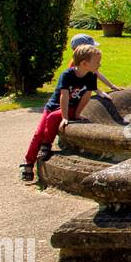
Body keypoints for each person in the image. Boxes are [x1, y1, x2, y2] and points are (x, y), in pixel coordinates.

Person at [20, 43, 103, 181]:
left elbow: (86, 96)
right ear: (84, 63)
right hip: (54, 105)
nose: (99, 65)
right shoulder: (67, 75)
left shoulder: (91, 76)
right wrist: (65, 117)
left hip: (71, 107)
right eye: (97, 62)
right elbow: (63, 96)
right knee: (38, 132)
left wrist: (76, 114)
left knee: (53, 118)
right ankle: (28, 163)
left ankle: (46, 144)